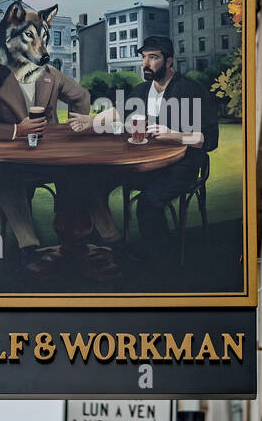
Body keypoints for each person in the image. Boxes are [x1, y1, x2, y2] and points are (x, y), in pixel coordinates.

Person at [0, 4, 119, 271]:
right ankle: (29, 248)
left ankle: (98, 240)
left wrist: (77, 126)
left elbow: (81, 97)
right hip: (12, 159)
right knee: (2, 173)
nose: (41, 48)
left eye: (43, 39)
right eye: (30, 37)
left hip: (49, 157)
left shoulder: (50, 75)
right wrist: (15, 132)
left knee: (83, 170)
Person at [71, 35, 218, 270]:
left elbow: (209, 140)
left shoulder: (191, 90)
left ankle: (160, 261)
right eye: (143, 58)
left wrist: (175, 134)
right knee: (93, 184)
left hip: (182, 166)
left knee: (148, 203)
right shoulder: (142, 90)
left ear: (169, 61)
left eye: (153, 57)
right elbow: (119, 113)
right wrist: (90, 121)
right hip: (144, 162)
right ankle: (113, 244)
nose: (145, 64)